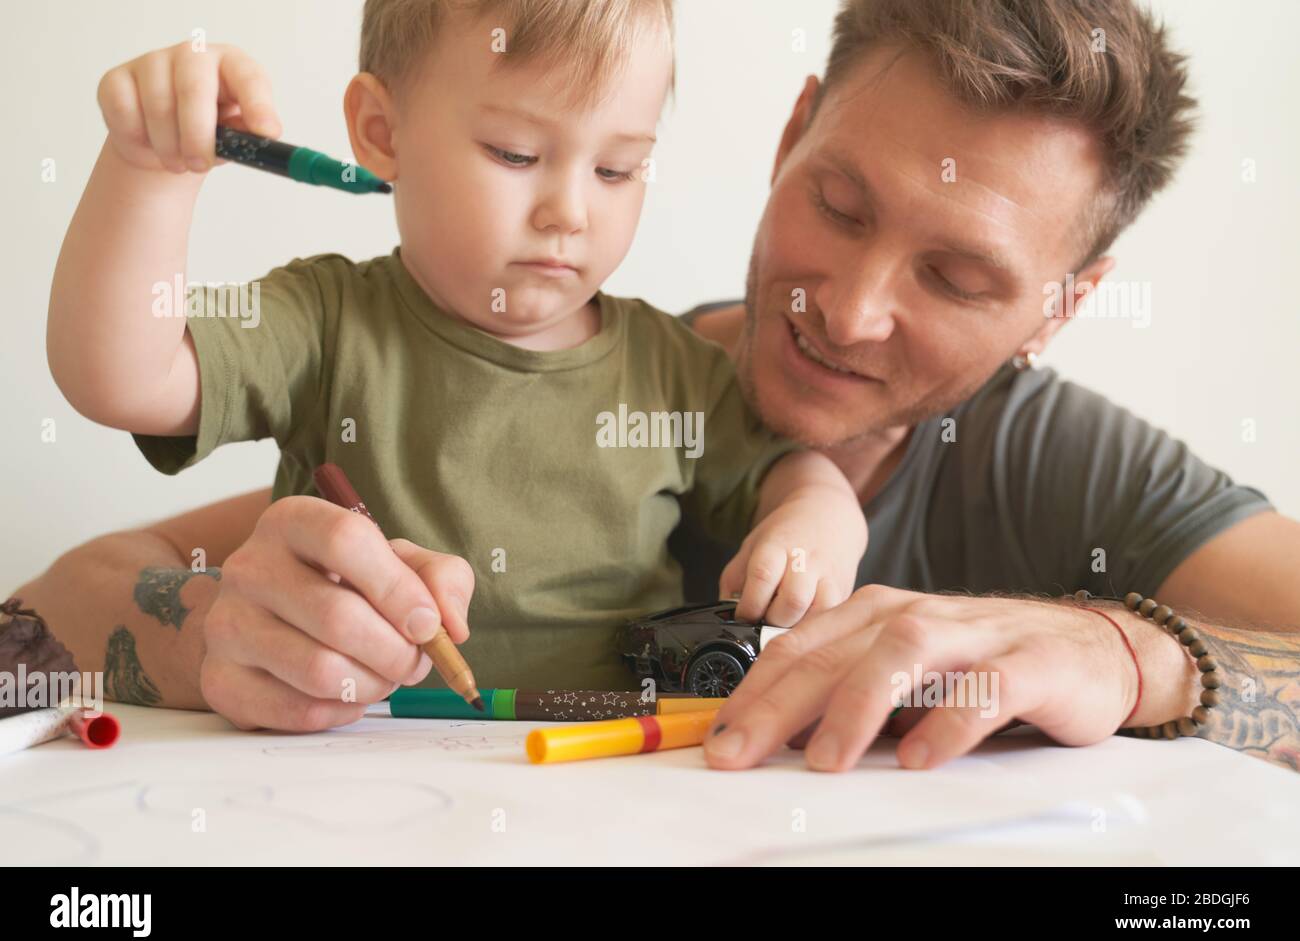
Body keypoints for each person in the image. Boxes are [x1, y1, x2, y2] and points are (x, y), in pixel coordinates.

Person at [15, 0, 1300, 771]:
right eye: (837, 205)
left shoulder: (1080, 475)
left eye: (959, 278)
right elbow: (28, 628)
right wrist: (212, 635)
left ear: (1064, 307)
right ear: (790, 131)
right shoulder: (565, 369)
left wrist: (1131, 658)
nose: (846, 310)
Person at [41, 0, 868, 718]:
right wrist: (149, 174)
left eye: (618, 168)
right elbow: (123, 377)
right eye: (514, 153)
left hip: (604, 774)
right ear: (380, 132)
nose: (568, 211)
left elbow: (788, 471)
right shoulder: (328, 320)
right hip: (346, 757)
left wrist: (819, 518)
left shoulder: (673, 370)